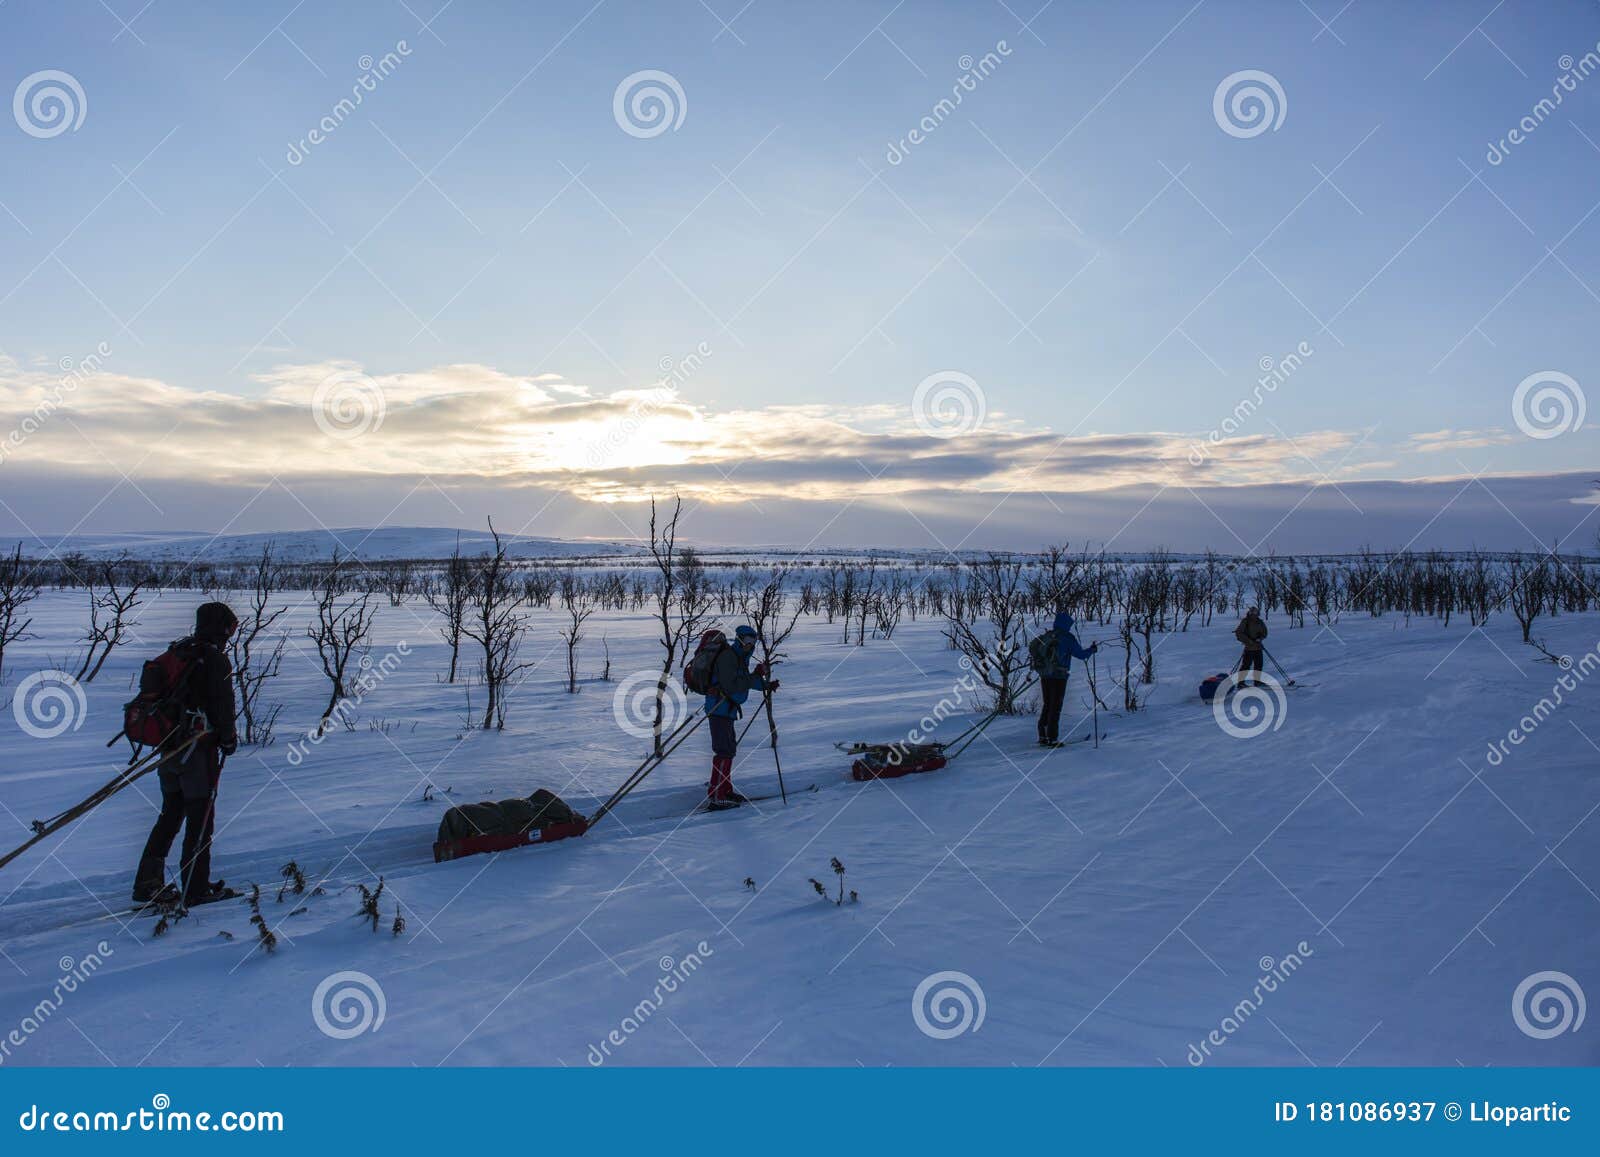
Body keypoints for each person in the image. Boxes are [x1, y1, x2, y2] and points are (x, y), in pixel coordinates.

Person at [132, 601, 239, 906]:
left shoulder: (178, 652)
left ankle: (147, 884)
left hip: (169, 749)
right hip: (197, 749)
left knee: (170, 814)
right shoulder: (214, 660)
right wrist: (228, 739)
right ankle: (196, 887)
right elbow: (223, 706)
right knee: (200, 816)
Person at [704, 625, 777, 806]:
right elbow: (733, 685)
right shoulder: (729, 656)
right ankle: (716, 794)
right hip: (718, 709)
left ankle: (725, 790)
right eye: (747, 641)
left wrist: (764, 684)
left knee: (729, 751)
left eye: (753, 641)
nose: (750, 645)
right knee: (723, 751)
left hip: (727, 711)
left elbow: (743, 681)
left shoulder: (740, 658)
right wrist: (755, 678)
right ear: (739, 639)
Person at [1027, 609, 1097, 747]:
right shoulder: (1067, 638)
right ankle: (1052, 739)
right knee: (1055, 706)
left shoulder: (1048, 636)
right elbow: (1081, 655)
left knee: (1047, 705)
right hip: (1059, 676)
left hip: (1045, 675)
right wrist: (1092, 650)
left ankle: (1043, 736)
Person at [1234, 606, 1268, 686]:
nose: (1254, 614)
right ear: (1249, 613)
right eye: (1252, 612)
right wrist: (1248, 641)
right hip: (1249, 648)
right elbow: (1239, 633)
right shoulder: (1245, 621)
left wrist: (1260, 638)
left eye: (1255, 612)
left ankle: (1257, 681)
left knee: (1259, 665)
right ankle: (1241, 683)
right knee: (1246, 665)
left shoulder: (1260, 622)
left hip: (1258, 647)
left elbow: (1265, 632)